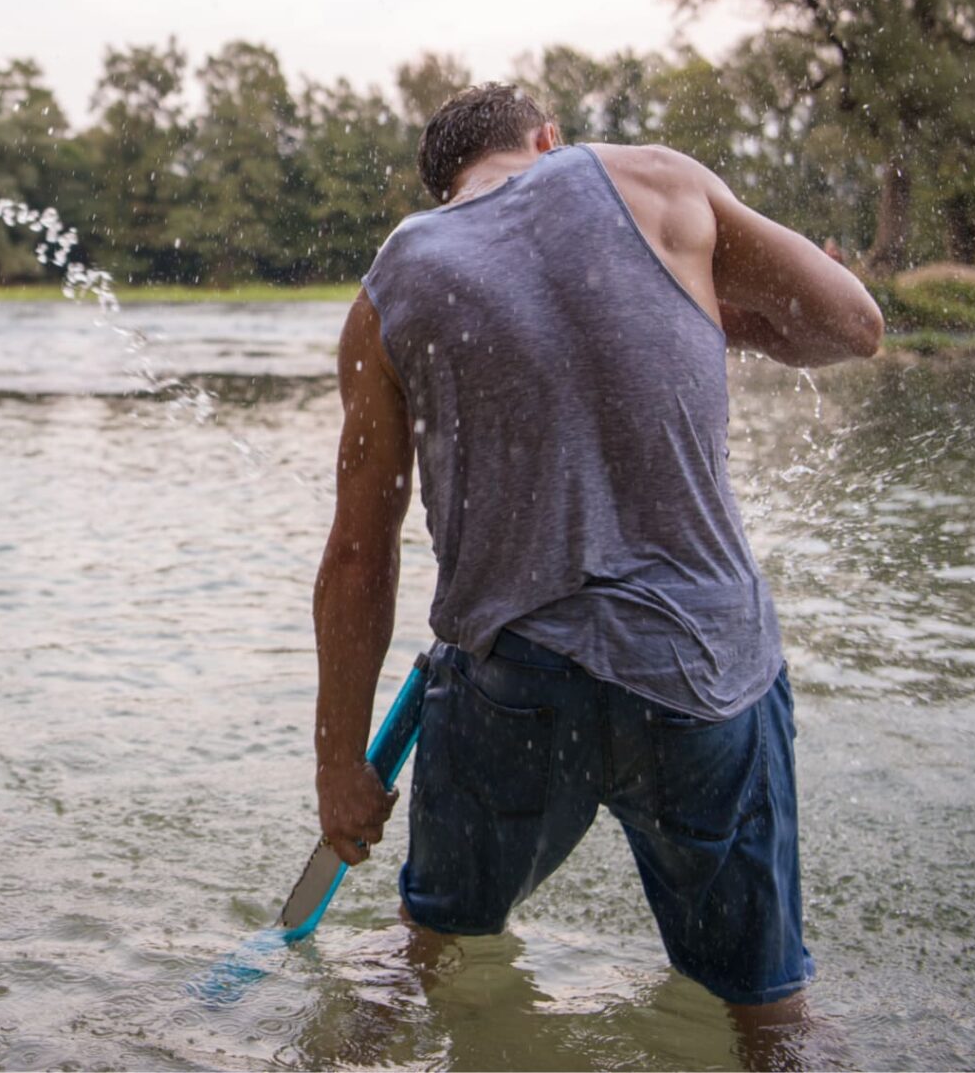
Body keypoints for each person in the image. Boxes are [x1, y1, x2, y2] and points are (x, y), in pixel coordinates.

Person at [311, 83, 882, 1061]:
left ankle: (341, 1042)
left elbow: (359, 555)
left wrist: (338, 764)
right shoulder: (652, 177)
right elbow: (850, 324)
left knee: (428, 955)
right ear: (545, 140)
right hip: (701, 672)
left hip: (508, 683)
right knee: (768, 1017)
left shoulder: (387, 288)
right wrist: (711, 306)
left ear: (445, 184)